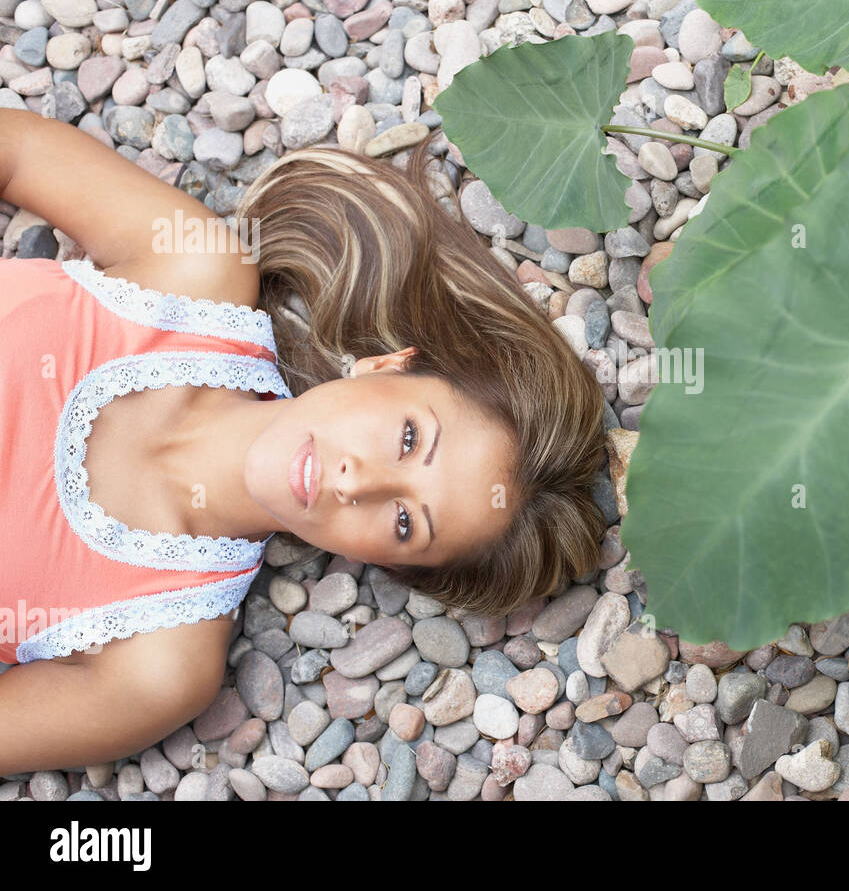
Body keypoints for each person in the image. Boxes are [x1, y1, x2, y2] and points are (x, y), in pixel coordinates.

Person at [0, 109, 610, 777]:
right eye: (408, 439)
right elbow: (18, 149)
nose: (357, 482)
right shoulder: (192, 275)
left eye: (405, 522)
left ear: (380, 562)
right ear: (388, 365)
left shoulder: (158, 665)